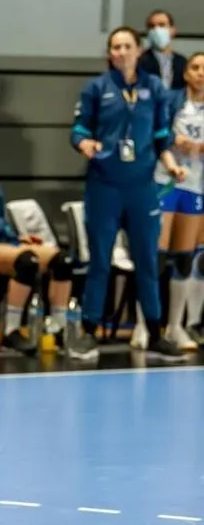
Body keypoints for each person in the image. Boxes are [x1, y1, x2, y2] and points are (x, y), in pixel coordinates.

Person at [69, 25, 188, 362]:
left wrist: (172, 165)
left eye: (126, 46)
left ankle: (154, 332)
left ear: (138, 50)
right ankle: (88, 332)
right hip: (104, 185)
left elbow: (162, 138)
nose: (120, 52)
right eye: (115, 47)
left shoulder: (154, 88)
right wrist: (85, 144)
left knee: (148, 261)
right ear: (110, 53)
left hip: (142, 187)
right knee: (100, 261)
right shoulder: (96, 88)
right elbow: (78, 130)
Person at [0, 131, 75, 354]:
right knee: (27, 261)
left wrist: (17, 238)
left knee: (62, 260)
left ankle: (59, 327)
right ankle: (11, 330)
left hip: (4, 242)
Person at [150, 51, 204, 350]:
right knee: (156, 256)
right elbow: (155, 135)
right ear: (186, 73)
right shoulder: (172, 102)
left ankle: (175, 326)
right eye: (195, 67)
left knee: (185, 258)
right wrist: (174, 142)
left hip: (196, 186)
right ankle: (148, 325)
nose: (200, 73)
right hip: (166, 181)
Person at [139, 9, 188, 91]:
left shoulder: (182, 62)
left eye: (162, 25)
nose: (156, 30)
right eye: (152, 26)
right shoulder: (140, 60)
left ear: (173, 30)